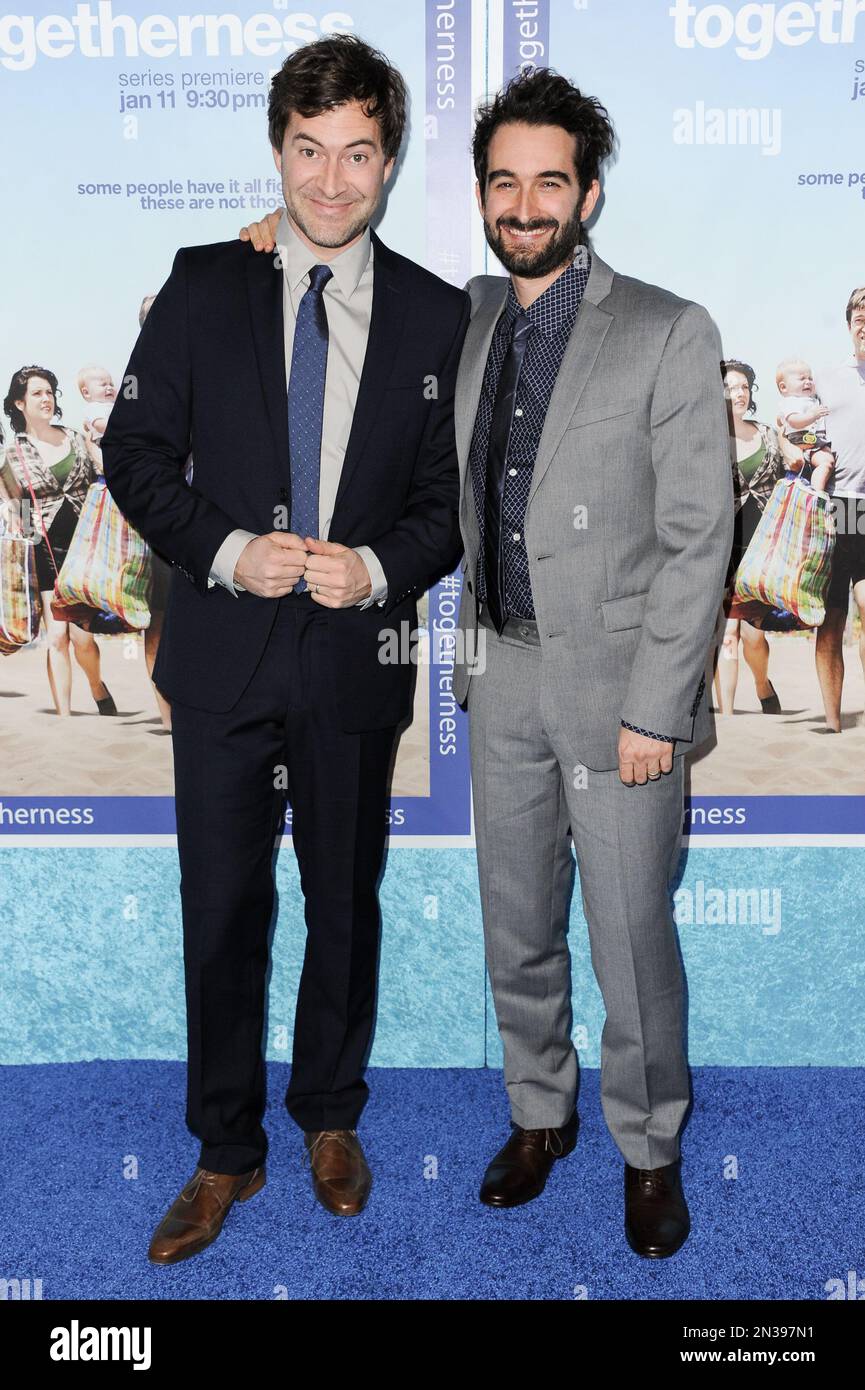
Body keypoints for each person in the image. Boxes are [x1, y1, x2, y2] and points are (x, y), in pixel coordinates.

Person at [100, 33, 470, 1265]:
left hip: (350, 666)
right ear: (278, 150)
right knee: (222, 910)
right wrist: (222, 549)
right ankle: (223, 1149)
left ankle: (327, 1116)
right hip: (218, 655)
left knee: (343, 906)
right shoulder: (204, 282)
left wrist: (371, 570)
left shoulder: (432, 314)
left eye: (357, 153)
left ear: (388, 161)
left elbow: (448, 504)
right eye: (308, 151)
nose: (329, 180)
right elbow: (133, 456)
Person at [1, 366, 116, 717]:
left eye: (49, 391)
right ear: (20, 403)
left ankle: (96, 686)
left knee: (84, 639)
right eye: (37, 393)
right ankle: (64, 718)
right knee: (57, 638)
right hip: (45, 550)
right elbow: (12, 504)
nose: (46, 398)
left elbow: (101, 476)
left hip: (85, 548)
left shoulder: (75, 438)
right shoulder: (12, 453)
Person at [715, 359, 793, 715]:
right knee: (726, 635)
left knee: (753, 636)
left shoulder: (766, 434)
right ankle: (728, 721)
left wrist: (789, 435)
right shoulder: (707, 439)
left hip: (761, 551)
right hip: (721, 550)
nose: (738, 393)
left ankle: (762, 684)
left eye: (744, 387)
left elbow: (792, 468)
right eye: (730, 387)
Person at [812, 288, 865, 733]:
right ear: (849, 326)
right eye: (859, 317)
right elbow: (803, 434)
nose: (864, 324)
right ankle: (833, 723)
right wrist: (814, 455)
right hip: (835, 510)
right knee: (832, 619)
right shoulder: (827, 379)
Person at [775, 357, 835, 494]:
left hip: (814, 442)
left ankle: (816, 491)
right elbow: (794, 421)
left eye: (810, 378)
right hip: (800, 440)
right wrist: (813, 415)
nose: (808, 382)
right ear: (783, 387)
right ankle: (816, 493)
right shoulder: (789, 402)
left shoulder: (811, 399)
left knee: (827, 462)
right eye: (802, 379)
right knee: (824, 462)